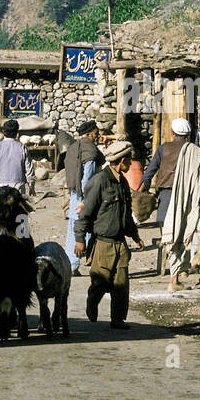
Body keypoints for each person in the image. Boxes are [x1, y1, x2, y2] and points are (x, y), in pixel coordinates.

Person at [74, 140, 146, 330]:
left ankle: (117, 320)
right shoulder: (99, 182)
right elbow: (85, 213)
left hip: (120, 243)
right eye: (129, 160)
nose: (131, 164)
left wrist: (135, 237)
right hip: (102, 243)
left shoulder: (122, 182)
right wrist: (80, 239)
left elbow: (126, 213)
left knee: (121, 284)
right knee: (100, 282)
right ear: (121, 161)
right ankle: (92, 301)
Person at [160, 119, 200, 291]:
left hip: (167, 197)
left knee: (172, 235)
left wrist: (143, 185)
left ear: (173, 133)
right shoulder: (196, 152)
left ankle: (174, 274)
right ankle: (177, 276)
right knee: (185, 234)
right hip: (189, 198)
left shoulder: (164, 148)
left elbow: (151, 169)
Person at [63, 119, 103, 274]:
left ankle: (72, 264)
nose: (98, 136)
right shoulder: (90, 152)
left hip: (74, 193)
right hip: (84, 194)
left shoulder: (74, 147)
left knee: (73, 227)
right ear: (88, 134)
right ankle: (84, 262)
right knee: (84, 227)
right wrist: (90, 197)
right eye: (95, 134)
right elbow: (87, 178)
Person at [139, 117, 194, 226]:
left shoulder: (163, 148)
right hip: (187, 193)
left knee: (165, 226)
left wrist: (141, 190)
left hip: (166, 193)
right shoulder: (193, 149)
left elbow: (149, 172)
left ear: (173, 133)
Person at [0, 119, 35, 195]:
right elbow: (29, 170)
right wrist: (31, 186)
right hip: (17, 187)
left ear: (3, 132)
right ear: (17, 133)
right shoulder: (22, 148)